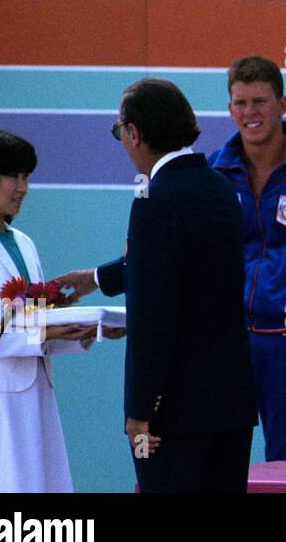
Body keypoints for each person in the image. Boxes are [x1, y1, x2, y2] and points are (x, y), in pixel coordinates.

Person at [62, 59, 286, 463]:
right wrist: (99, 279)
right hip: (226, 341)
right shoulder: (213, 172)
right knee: (220, 462)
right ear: (229, 109)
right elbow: (169, 260)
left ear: (283, 104)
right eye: (240, 103)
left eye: (260, 101)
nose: (250, 113)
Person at [75, 79, 258, 491]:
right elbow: (182, 265)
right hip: (230, 403)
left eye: (120, 131)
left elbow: (154, 317)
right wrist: (97, 278)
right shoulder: (221, 189)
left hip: (175, 413)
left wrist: (141, 410)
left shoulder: (154, 202)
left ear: (135, 132)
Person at [0, 130, 99, 492]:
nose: (23, 187)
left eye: (27, 176)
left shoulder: (24, 243)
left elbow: (37, 322)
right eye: (12, 175)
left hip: (34, 394)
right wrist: (48, 332)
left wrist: (82, 330)